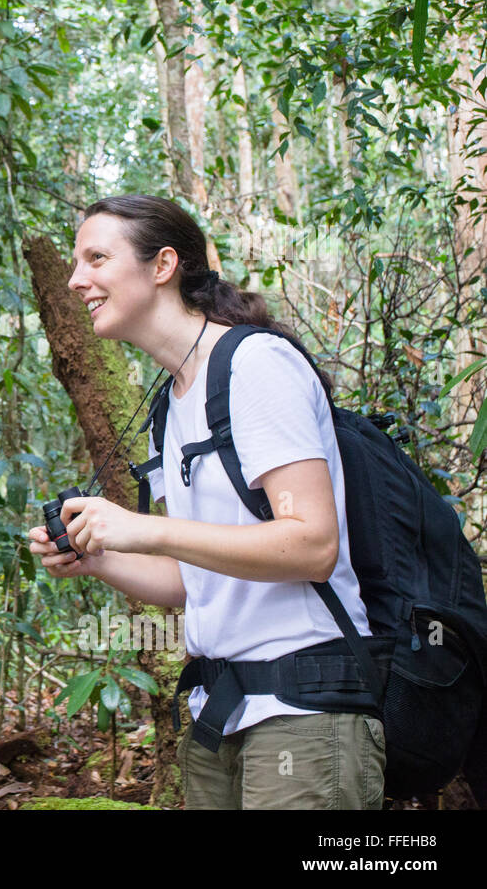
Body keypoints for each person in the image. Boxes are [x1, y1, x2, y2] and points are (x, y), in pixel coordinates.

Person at [28, 195, 385, 809]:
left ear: (162, 265)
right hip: (219, 713)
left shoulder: (255, 365)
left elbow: (312, 544)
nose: (75, 278)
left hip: (302, 711)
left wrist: (144, 528)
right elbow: (193, 579)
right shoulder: (168, 406)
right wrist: (98, 556)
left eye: (97, 258)